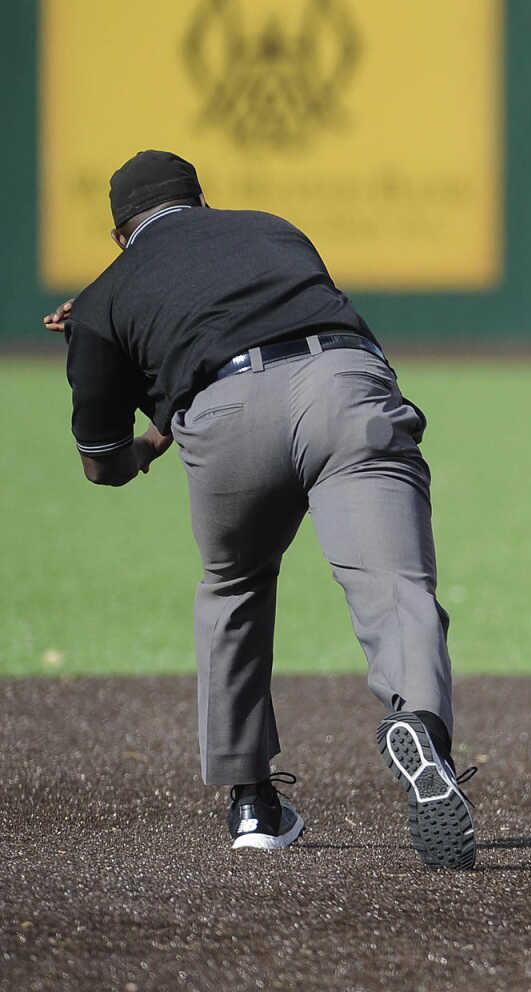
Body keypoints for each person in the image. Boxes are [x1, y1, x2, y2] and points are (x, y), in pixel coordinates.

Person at [46, 150, 477, 867]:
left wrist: (130, 395)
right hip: (345, 386)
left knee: (234, 588)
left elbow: (104, 465)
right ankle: (422, 729)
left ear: (120, 233)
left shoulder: (102, 298)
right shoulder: (273, 229)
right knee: (395, 585)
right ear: (201, 202)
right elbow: (269, 315)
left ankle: (252, 802)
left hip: (225, 414)